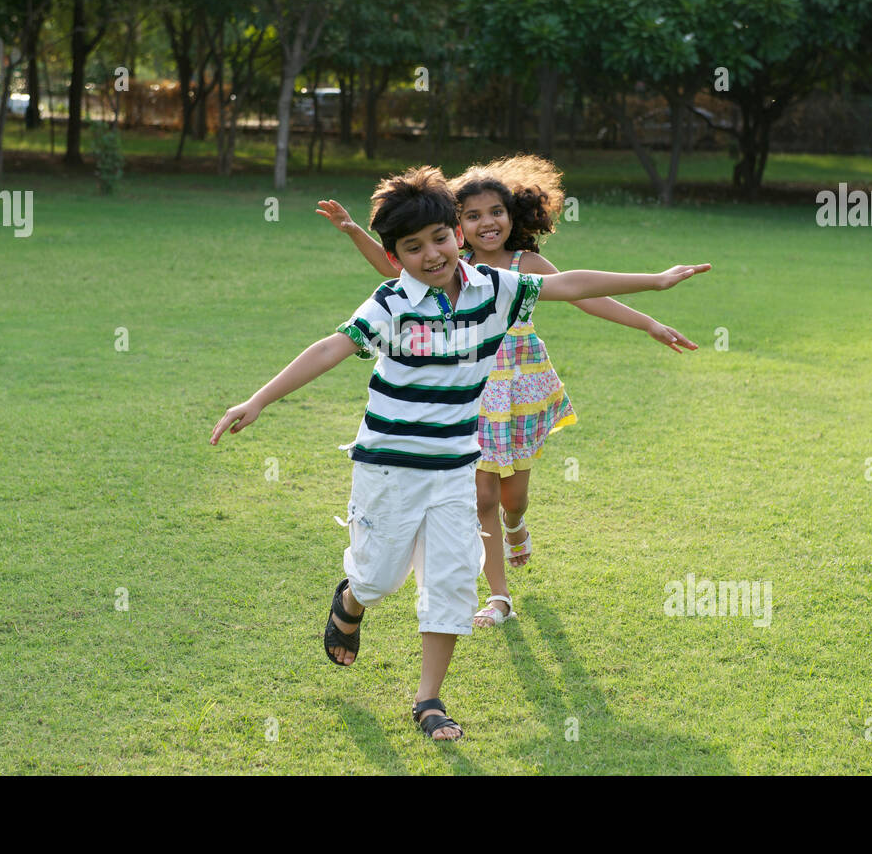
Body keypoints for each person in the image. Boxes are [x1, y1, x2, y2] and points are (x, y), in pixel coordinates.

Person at [212, 165, 709, 741]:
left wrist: (656, 281)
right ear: (395, 255)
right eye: (413, 247)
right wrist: (259, 400)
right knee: (379, 580)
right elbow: (331, 347)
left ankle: (429, 701)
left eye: (440, 238)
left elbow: (571, 283)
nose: (432, 255)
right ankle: (352, 601)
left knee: (451, 582)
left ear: (457, 233)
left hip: (454, 467)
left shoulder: (495, 289)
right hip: (390, 467)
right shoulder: (392, 301)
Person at [321, 154, 699, 628]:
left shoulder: (521, 266)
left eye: (495, 212)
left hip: (519, 390)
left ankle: (516, 523)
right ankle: (498, 595)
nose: (486, 223)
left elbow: (582, 292)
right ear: (456, 225)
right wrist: (356, 230)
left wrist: (649, 319)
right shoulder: (449, 264)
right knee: (481, 497)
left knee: (511, 498)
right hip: (466, 395)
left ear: (512, 214)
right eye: (472, 215)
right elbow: (392, 265)